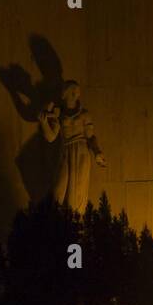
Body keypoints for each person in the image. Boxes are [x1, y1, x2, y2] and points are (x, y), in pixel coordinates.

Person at [38, 80, 106, 210]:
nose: (76, 95)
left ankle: (75, 223)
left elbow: (90, 136)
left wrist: (97, 152)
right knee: (58, 190)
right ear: (65, 94)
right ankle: (56, 220)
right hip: (65, 152)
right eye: (73, 92)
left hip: (81, 152)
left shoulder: (84, 114)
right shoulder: (59, 115)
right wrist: (44, 123)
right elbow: (51, 137)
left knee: (76, 193)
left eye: (77, 92)